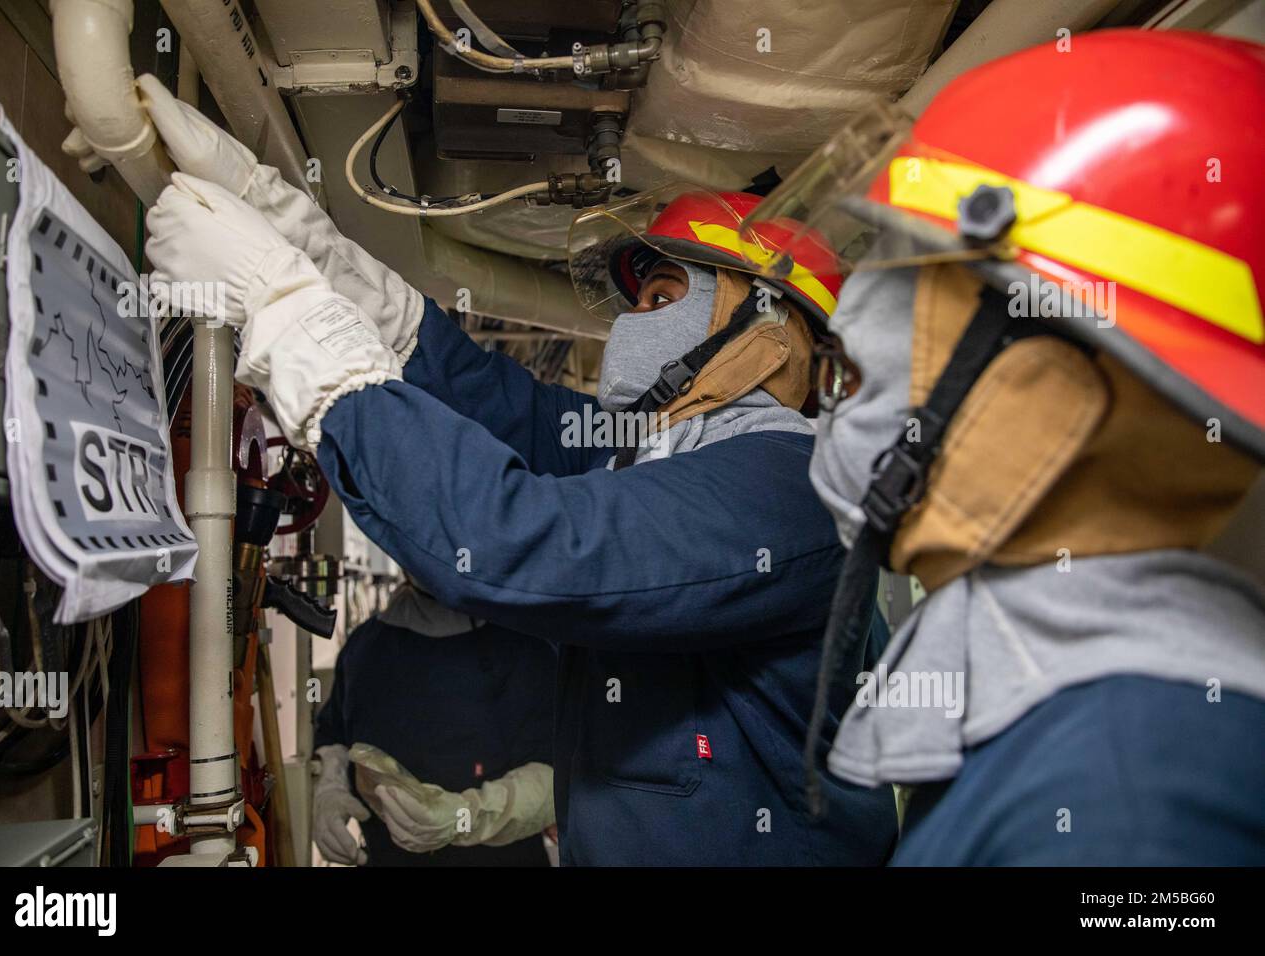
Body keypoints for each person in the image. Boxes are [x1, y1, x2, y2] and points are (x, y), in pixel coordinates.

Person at [122, 75, 897, 865]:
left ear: (765, 335)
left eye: (662, 296)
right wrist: (285, 219)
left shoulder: (791, 488)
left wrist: (283, 310)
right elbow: (495, 402)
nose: (633, 325)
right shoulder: (655, 446)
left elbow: (506, 541)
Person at [743, 28, 1265, 864]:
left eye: (857, 377)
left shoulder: (1128, 805)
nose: (838, 404)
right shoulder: (1110, 716)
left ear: (1043, 401)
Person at [312, 581, 557, 867]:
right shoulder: (366, 645)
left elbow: (554, 776)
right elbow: (335, 735)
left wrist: (464, 816)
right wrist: (330, 790)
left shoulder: (524, 647)